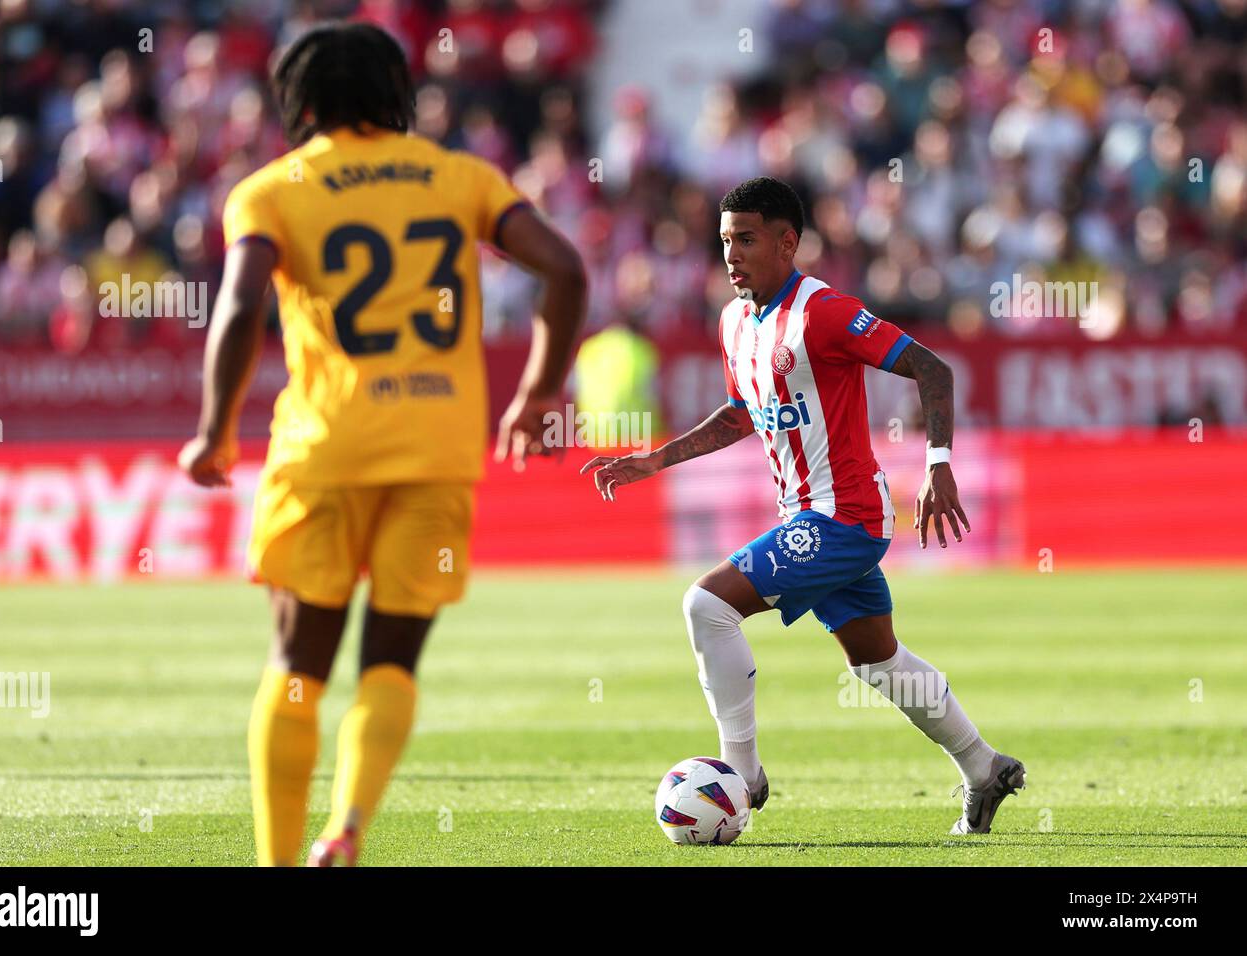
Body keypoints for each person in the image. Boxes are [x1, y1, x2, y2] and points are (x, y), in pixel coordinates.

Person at [178, 22, 585, 866]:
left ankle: (279, 860)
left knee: (296, 664)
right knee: (392, 662)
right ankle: (350, 824)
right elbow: (566, 270)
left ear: (301, 101)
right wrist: (540, 392)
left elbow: (241, 305)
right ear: (396, 93)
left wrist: (214, 433)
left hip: (325, 449)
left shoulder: (270, 190)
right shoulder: (461, 178)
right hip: (437, 450)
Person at [581, 176, 1024, 835]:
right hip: (805, 515)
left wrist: (937, 465)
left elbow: (934, 369)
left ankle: (742, 776)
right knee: (877, 660)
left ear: (788, 243)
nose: (732, 254)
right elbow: (740, 415)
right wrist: (656, 460)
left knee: (707, 605)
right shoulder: (734, 321)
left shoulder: (826, 312)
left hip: (844, 516)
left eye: (748, 240)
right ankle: (985, 768)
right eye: (726, 240)